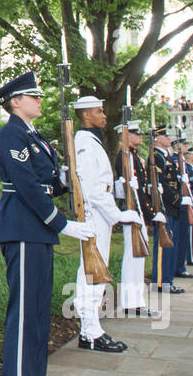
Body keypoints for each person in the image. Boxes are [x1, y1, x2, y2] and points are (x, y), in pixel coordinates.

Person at [0, 72, 91, 376]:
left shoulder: (35, 138)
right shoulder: (11, 135)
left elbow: (49, 181)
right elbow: (28, 187)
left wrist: (71, 181)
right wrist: (62, 223)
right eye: (32, 96)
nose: (39, 100)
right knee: (23, 316)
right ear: (15, 101)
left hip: (36, 230)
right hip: (23, 227)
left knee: (36, 316)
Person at [71, 96, 136, 352]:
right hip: (94, 213)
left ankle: (92, 328)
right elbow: (92, 189)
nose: (104, 115)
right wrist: (117, 214)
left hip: (100, 212)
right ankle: (89, 331)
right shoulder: (84, 142)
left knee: (98, 270)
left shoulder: (92, 141)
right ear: (86, 115)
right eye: (99, 111)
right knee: (91, 271)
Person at [113, 120, 156, 318]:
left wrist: (149, 213)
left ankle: (136, 301)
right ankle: (130, 302)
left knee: (138, 256)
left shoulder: (134, 157)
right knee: (133, 256)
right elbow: (127, 191)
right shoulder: (123, 157)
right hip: (131, 212)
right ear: (126, 136)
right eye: (135, 134)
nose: (140, 137)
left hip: (138, 212)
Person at [147, 127, 184, 294]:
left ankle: (168, 280)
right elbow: (160, 183)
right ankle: (161, 282)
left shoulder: (165, 156)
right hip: (165, 205)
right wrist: (176, 198)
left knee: (170, 245)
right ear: (157, 138)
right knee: (164, 246)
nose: (169, 138)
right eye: (165, 135)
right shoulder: (156, 156)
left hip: (173, 206)